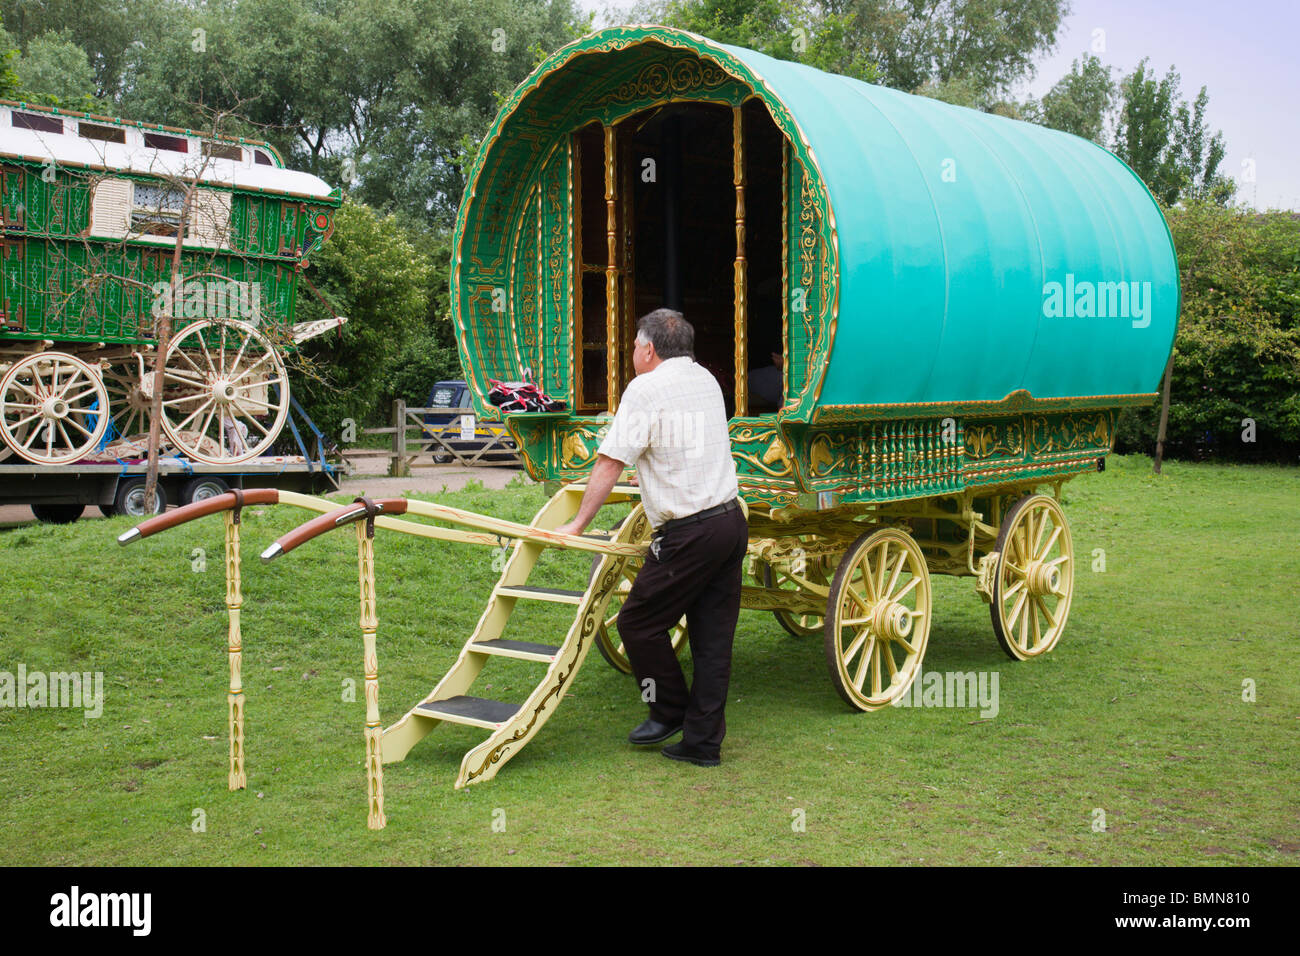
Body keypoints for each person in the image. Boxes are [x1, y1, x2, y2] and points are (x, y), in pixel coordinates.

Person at [554, 308, 747, 767]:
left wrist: (578, 523)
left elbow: (610, 461)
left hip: (690, 532)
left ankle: (668, 708)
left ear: (648, 349)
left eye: (636, 346)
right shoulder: (708, 380)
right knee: (713, 641)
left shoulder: (645, 388)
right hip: (729, 522)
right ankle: (702, 745)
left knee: (637, 624)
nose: (633, 353)